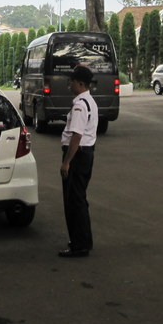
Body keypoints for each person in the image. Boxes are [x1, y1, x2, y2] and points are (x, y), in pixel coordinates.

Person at [59, 65, 98, 258]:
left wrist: (67, 162)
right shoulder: (90, 101)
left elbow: (76, 136)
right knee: (79, 199)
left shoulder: (80, 105)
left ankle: (79, 245)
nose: (70, 84)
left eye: (72, 81)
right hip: (86, 154)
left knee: (74, 201)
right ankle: (82, 241)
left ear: (80, 84)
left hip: (78, 155)